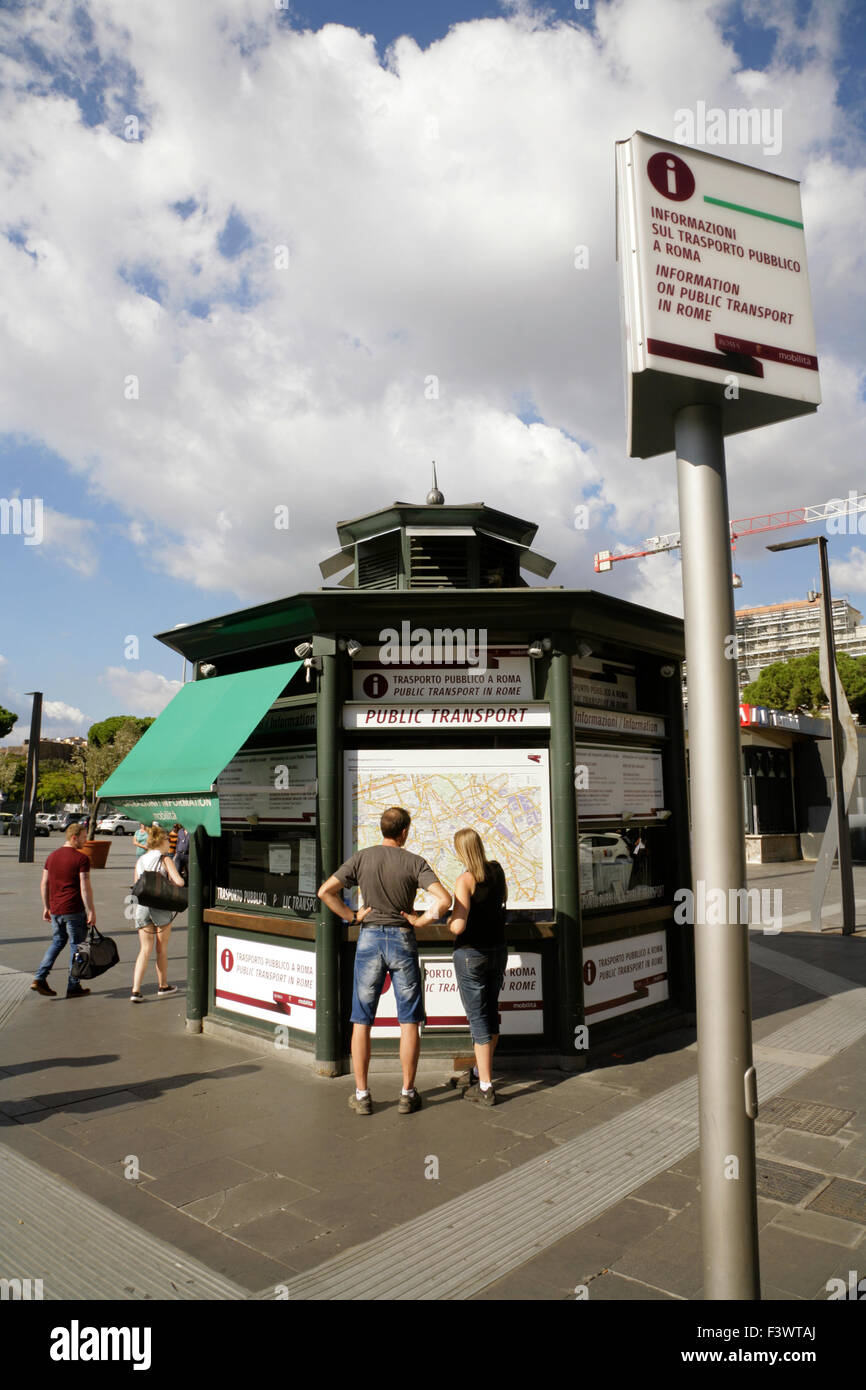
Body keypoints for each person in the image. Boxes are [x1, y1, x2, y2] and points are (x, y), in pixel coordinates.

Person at [318, 806, 451, 1116]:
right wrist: (421, 921)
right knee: (409, 1020)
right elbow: (444, 901)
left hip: (369, 939)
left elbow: (326, 891)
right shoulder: (415, 862)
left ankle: (362, 1095)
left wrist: (351, 916)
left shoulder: (363, 857)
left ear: (383, 829)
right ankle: (407, 1092)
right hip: (403, 939)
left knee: (361, 1019)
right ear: (403, 832)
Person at [448, 828, 508, 1107]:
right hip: (498, 951)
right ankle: (477, 1073)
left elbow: (458, 924)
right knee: (490, 1012)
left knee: (478, 1019)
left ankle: (485, 1087)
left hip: (472, 954)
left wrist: (448, 922)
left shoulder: (465, 880)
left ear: (461, 851)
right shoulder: (496, 871)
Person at [32, 822, 95, 999]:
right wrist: (91, 910)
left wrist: (46, 907)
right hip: (74, 910)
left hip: (56, 910)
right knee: (78, 946)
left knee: (57, 942)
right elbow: (84, 887)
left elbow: (44, 883)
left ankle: (39, 977)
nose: (85, 841)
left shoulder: (51, 857)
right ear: (74, 838)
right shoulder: (81, 859)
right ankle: (73, 985)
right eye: (83, 837)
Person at [130, 825, 185, 1002]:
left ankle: (136, 990)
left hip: (142, 907)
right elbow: (179, 882)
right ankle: (163, 985)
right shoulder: (165, 859)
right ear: (161, 841)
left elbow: (136, 885)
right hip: (160, 907)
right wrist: (178, 878)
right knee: (161, 949)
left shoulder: (140, 861)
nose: (169, 842)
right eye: (167, 840)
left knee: (144, 950)